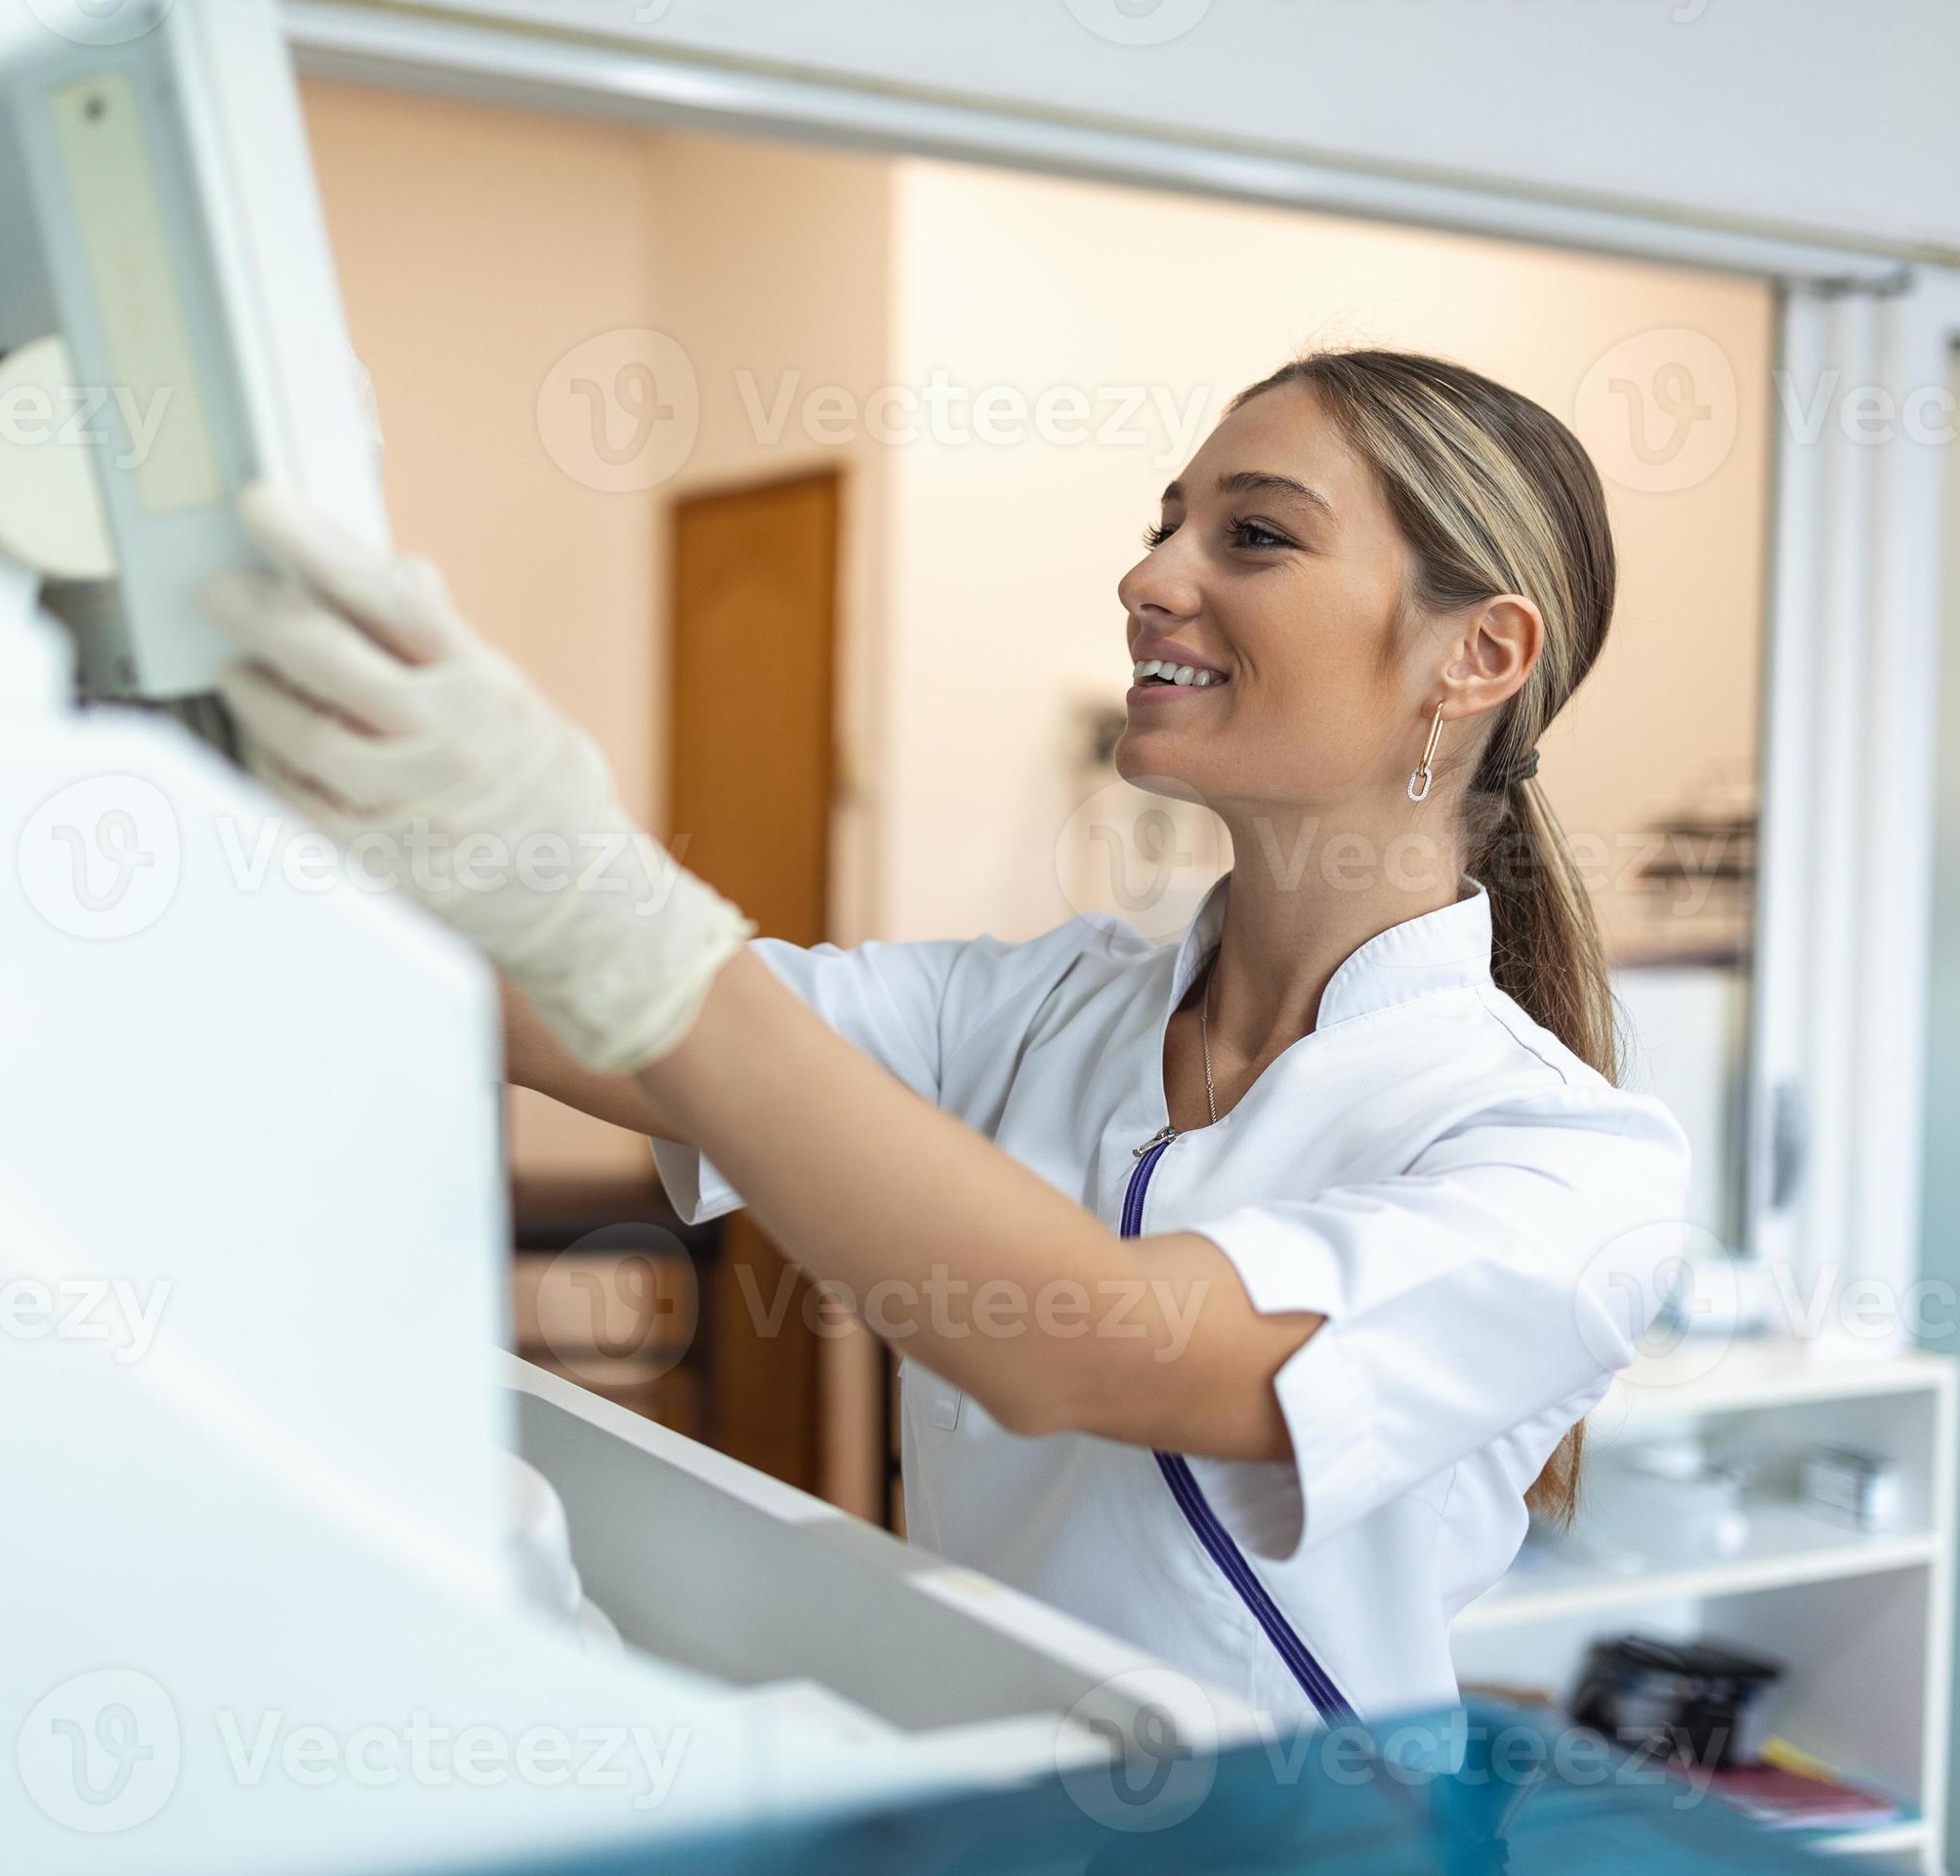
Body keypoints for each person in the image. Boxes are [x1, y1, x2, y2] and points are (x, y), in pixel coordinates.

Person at [201, 348, 1690, 1729]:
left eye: (1252, 536)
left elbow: (1082, 1342)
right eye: (1165, 523)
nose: (1148, 575)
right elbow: (577, 1013)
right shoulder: (1036, 1008)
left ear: (1480, 652)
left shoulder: (1568, 1165)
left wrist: (593, 895)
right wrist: (246, 746)